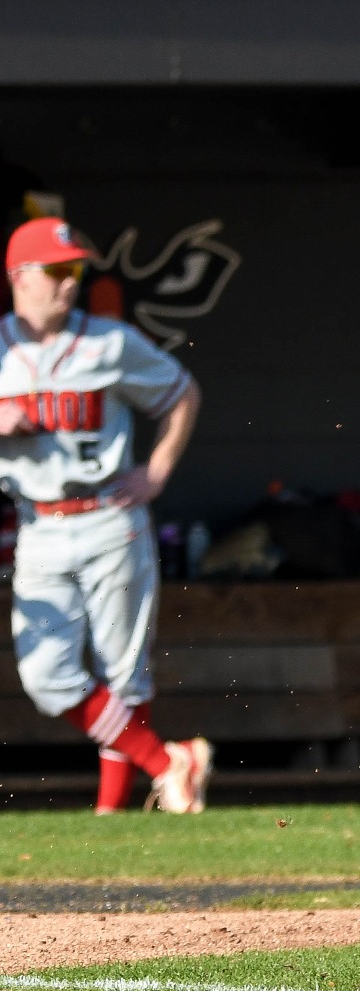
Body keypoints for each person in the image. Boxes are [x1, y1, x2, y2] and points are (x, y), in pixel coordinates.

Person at [0, 217, 208, 814]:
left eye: (77, 272)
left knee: (125, 673)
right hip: (37, 523)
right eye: (57, 271)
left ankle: (112, 815)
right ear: (19, 277)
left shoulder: (108, 342)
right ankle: (169, 762)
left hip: (107, 515)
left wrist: (160, 470)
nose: (70, 284)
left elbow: (182, 393)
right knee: (46, 677)